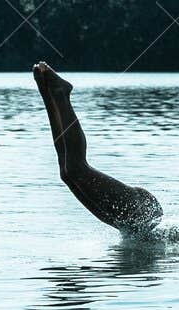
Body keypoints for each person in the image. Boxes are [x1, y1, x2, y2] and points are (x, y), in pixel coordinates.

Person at [33, 62, 162, 234]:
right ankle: (58, 93)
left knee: (67, 173)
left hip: (134, 223)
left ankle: (48, 92)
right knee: (75, 169)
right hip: (144, 214)